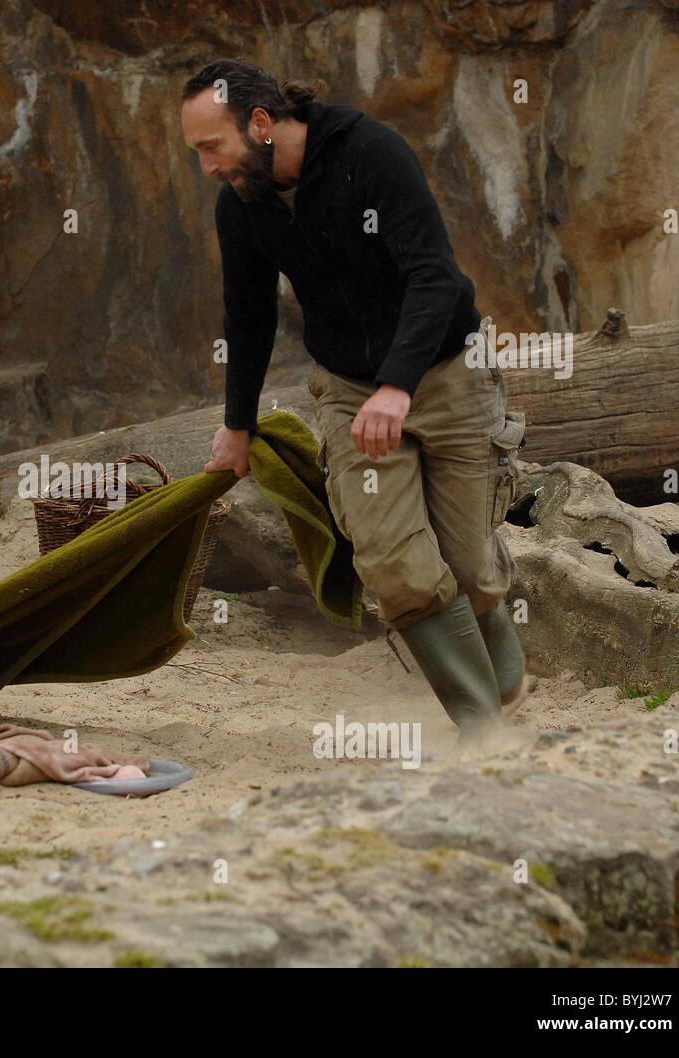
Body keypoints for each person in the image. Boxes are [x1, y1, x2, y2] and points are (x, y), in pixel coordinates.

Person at [179, 58, 532, 747]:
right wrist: (237, 426)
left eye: (210, 147)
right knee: (396, 565)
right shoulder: (242, 206)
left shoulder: (373, 153)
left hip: (448, 371)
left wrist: (399, 385)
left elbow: (433, 274)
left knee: (466, 566)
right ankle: (483, 730)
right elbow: (246, 315)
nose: (206, 168)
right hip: (346, 390)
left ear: (260, 123)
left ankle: (504, 678)